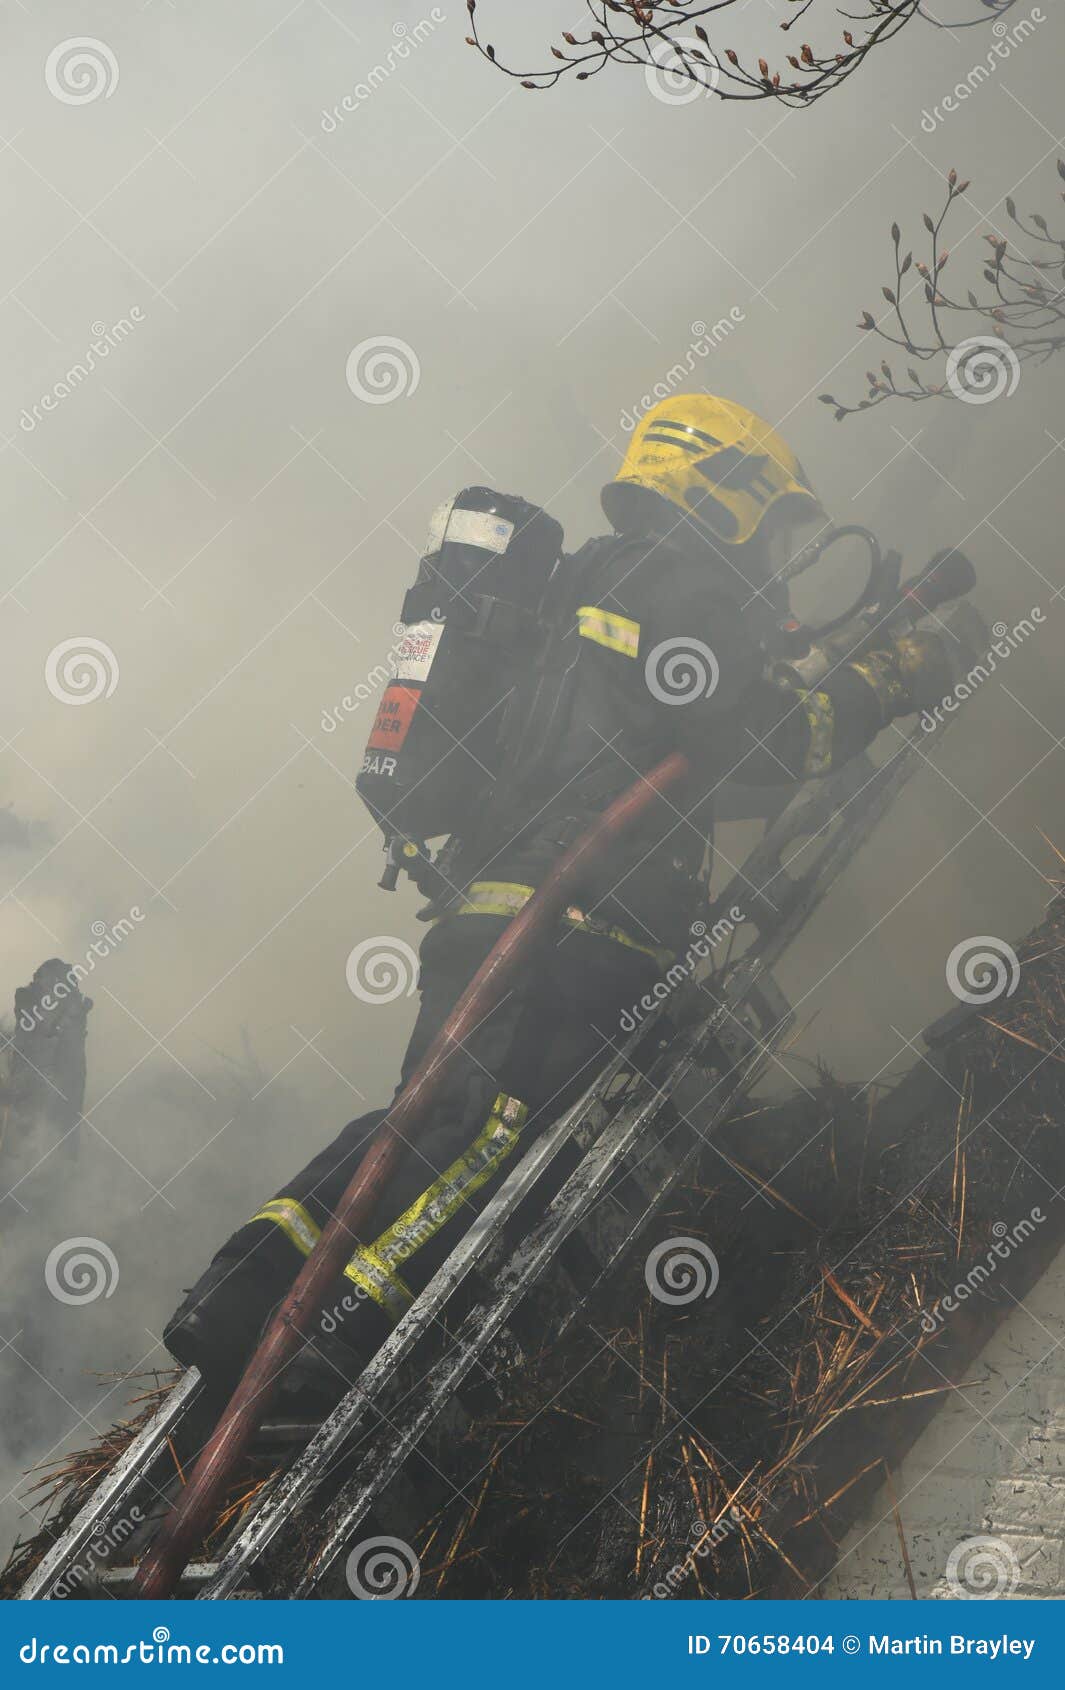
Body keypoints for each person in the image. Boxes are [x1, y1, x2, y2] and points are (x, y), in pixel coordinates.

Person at [164, 394, 951, 1401]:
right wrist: (888, 679)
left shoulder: (575, 581)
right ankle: (340, 1339)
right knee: (489, 1134)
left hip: (487, 908)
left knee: (423, 1115)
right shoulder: (686, 582)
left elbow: (698, 749)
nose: (773, 553)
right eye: (776, 519)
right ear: (730, 491)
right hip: (581, 927)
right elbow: (767, 735)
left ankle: (241, 1292)